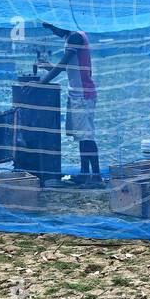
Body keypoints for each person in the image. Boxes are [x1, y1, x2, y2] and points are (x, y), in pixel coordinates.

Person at [39, 22, 99, 184]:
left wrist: (42, 82)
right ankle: (85, 173)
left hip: (83, 95)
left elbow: (63, 64)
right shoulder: (73, 36)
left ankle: (96, 176)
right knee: (82, 136)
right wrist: (48, 67)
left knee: (86, 136)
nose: (54, 31)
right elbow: (72, 67)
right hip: (77, 94)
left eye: (54, 27)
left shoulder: (75, 37)